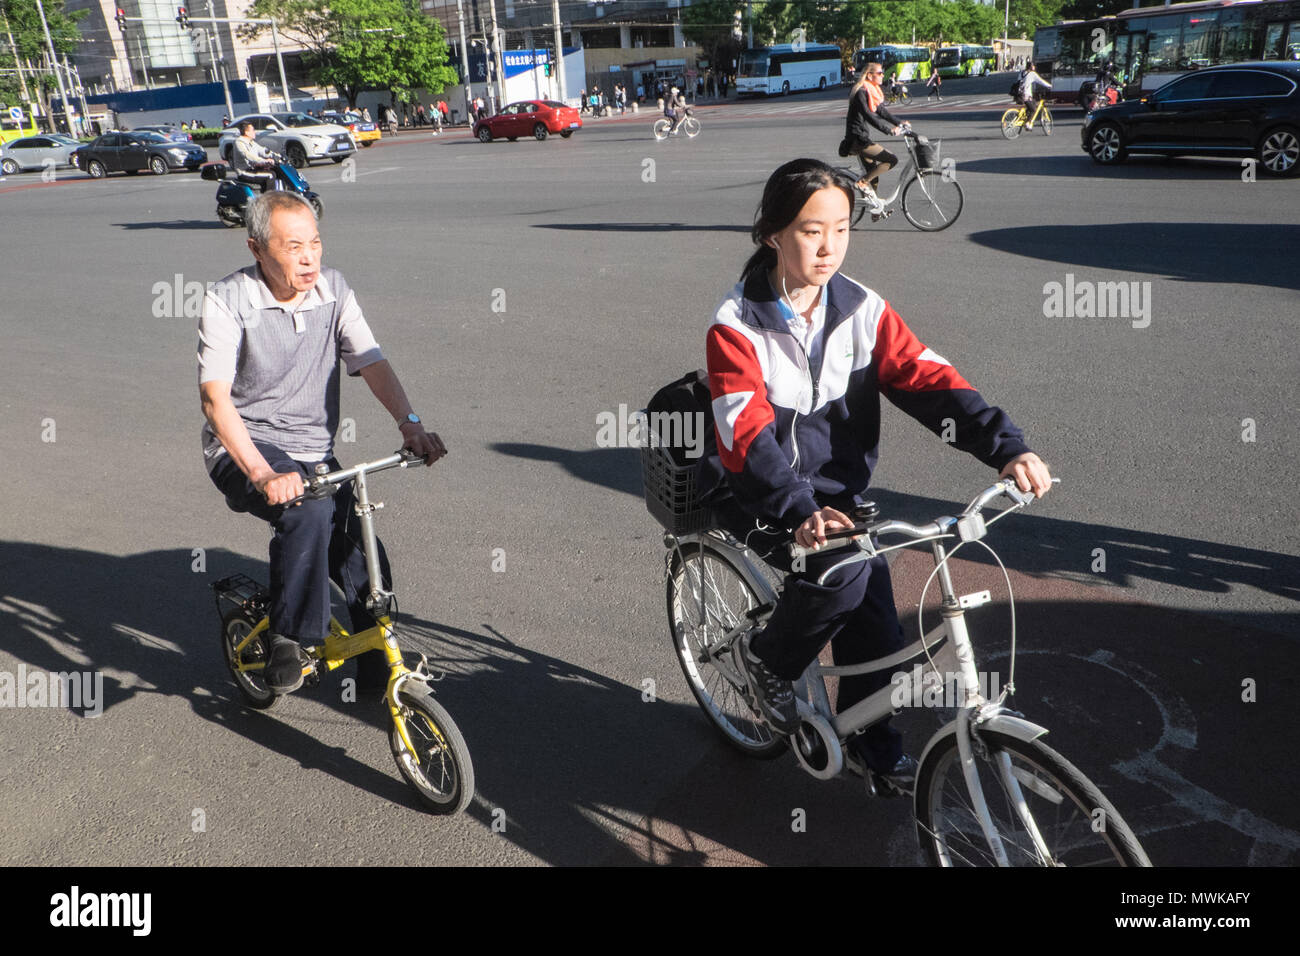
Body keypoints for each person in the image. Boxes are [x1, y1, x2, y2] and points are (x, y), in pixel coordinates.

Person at [700, 158, 1052, 794]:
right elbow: (745, 433)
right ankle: (765, 660)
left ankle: (875, 748)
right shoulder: (736, 326)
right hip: (760, 496)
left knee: (880, 621)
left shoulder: (862, 309)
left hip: (836, 498)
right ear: (773, 233)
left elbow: (929, 379)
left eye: (841, 227)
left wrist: (1007, 448)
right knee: (844, 574)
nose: (829, 246)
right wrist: (798, 508)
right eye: (811, 230)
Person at [198, 192, 447, 696]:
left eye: (315, 242)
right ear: (256, 249)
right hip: (243, 449)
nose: (309, 256)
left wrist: (410, 423)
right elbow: (214, 400)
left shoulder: (333, 289)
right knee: (307, 509)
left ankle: (377, 661)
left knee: (361, 551)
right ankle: (290, 637)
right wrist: (263, 473)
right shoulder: (227, 299)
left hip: (311, 455)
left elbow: (371, 360)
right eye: (293, 246)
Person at [840, 63, 905, 219]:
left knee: (873, 174)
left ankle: (875, 208)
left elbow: (881, 111)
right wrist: (888, 130)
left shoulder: (871, 90)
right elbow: (868, 115)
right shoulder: (860, 91)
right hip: (857, 139)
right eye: (880, 73)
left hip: (862, 137)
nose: (883, 75)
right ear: (870, 75)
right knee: (891, 160)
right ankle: (862, 182)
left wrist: (899, 123)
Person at [230, 121, 281, 193]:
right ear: (246, 132)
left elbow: (263, 151)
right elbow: (247, 155)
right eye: (253, 130)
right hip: (244, 172)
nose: (255, 132)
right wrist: (265, 161)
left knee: (276, 170)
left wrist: (277, 155)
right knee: (270, 175)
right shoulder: (239, 142)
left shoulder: (251, 142)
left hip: (253, 169)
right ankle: (268, 201)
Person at [1018, 63, 1052, 128]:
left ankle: (1026, 118)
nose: (1034, 67)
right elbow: (1040, 81)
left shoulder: (1022, 73)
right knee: (1033, 109)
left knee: (1033, 103)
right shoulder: (1032, 74)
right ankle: (1028, 123)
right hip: (1026, 95)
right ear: (1031, 67)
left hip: (1019, 94)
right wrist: (1049, 86)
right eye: (1033, 66)